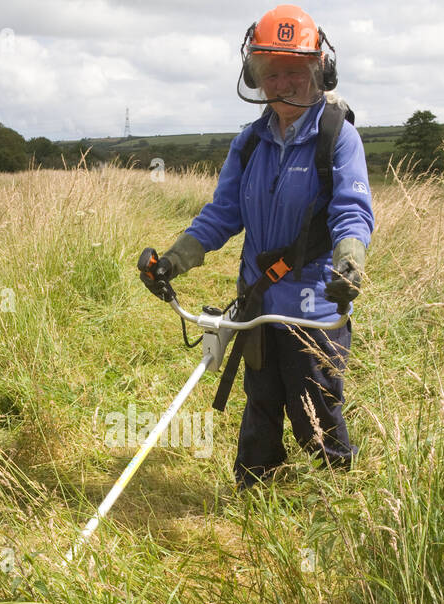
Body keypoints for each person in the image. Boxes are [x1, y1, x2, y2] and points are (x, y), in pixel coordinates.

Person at [139, 4, 375, 491]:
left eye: (293, 71)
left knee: (316, 403)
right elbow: (223, 214)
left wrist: (349, 261)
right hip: (258, 299)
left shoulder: (337, 139)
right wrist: (174, 260)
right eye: (271, 72)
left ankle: (333, 500)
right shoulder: (248, 143)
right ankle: (254, 492)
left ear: (319, 72)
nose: (281, 83)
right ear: (256, 76)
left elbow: (351, 210)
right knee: (261, 397)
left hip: (314, 300)